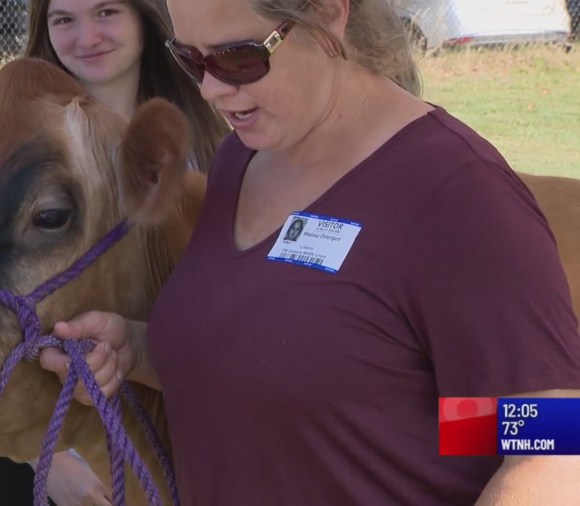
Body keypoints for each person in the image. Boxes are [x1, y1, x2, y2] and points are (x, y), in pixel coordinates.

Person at [39, 0, 580, 504]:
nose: (209, 90)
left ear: (328, 14)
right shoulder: (242, 160)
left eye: (237, 58)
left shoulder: (456, 194)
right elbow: (316, 376)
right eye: (189, 58)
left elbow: (552, 450)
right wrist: (136, 349)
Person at [0, 0, 230, 504]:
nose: (86, 37)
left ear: (146, 16)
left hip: (184, 419)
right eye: (64, 20)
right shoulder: (0, 144)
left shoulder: (217, 135)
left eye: (106, 12)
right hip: (52, 443)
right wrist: (50, 463)